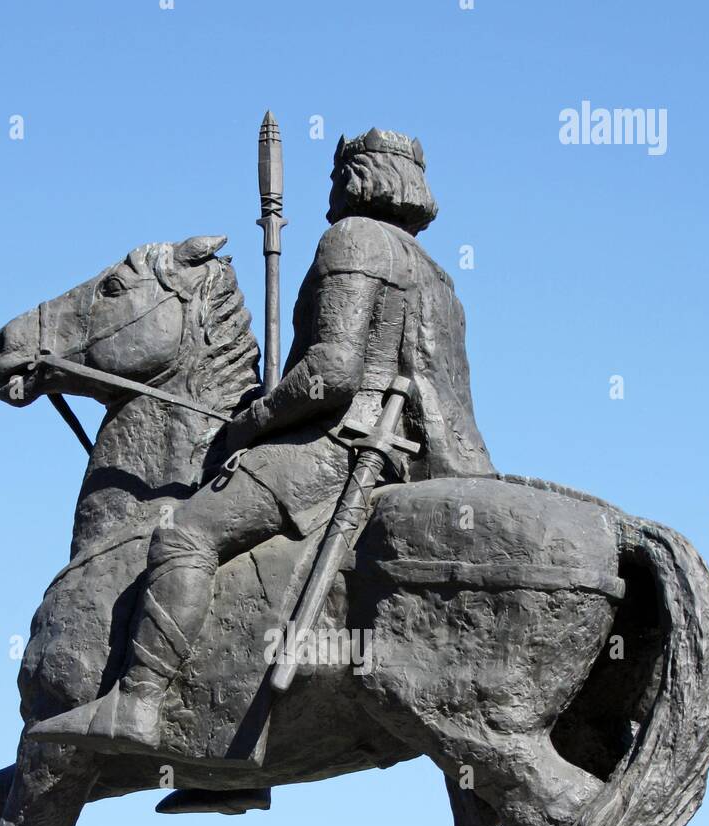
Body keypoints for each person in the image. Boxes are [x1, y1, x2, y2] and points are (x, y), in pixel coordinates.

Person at [31, 128, 494, 758]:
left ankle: (137, 701)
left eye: (340, 173)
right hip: (420, 460)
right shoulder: (439, 276)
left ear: (358, 177)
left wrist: (253, 419)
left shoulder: (351, 240)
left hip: (342, 447)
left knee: (184, 534)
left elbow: (333, 372)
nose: (333, 187)